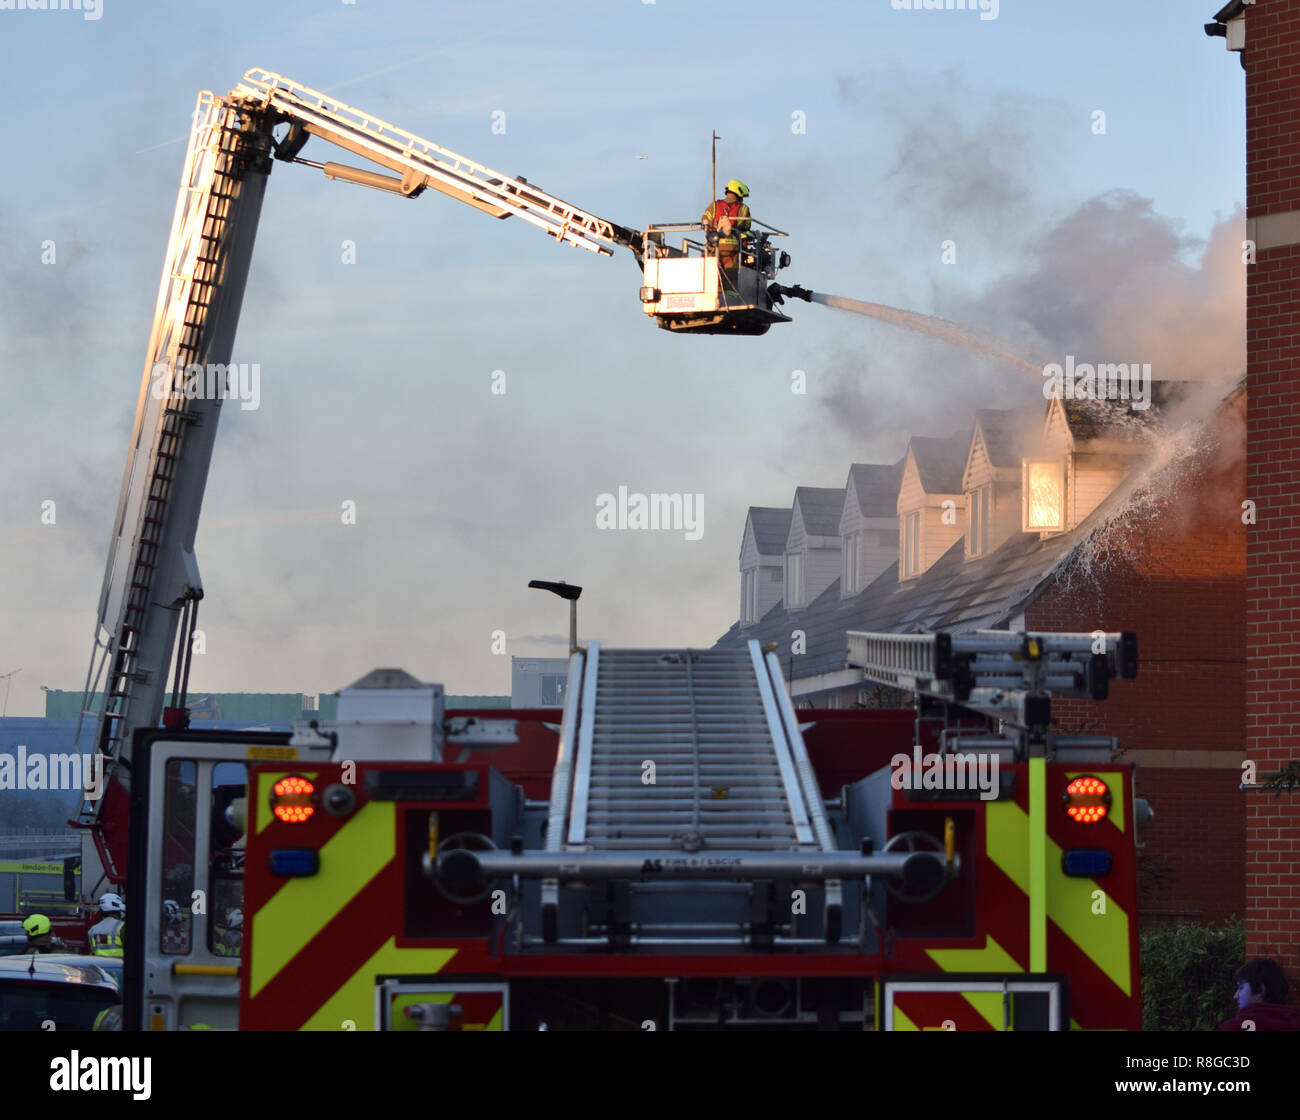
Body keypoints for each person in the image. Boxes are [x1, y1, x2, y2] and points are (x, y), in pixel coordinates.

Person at [1217, 958, 1300, 1031]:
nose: (1235, 996)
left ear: (1260, 989)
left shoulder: (1231, 1028)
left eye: (1241, 987)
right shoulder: (1295, 1023)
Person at [701, 179, 752, 292]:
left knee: (711, 276)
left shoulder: (714, 205)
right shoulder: (743, 209)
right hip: (732, 250)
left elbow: (704, 220)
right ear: (738, 193)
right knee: (730, 279)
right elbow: (746, 227)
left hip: (713, 247)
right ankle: (729, 297)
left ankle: (712, 293)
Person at [88, 892, 126, 958]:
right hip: (118, 966)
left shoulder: (93, 929)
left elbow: (92, 952)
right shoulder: (121, 926)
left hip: (99, 966)